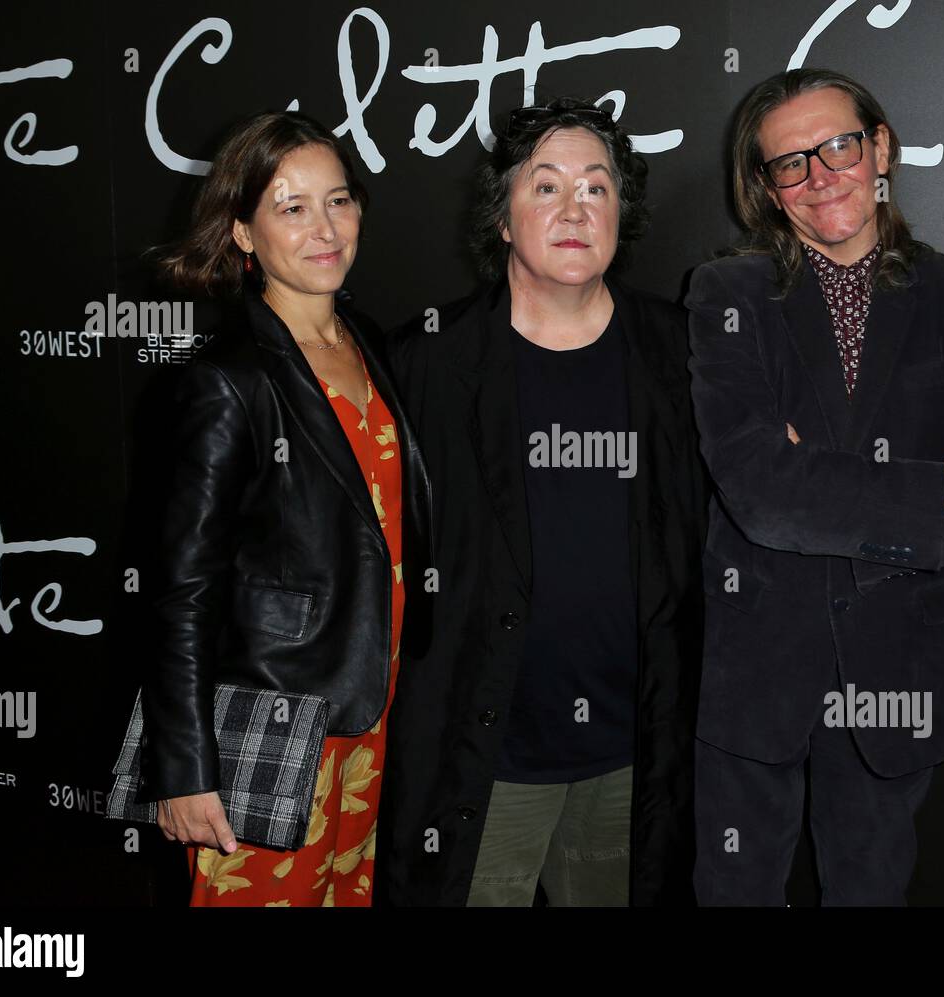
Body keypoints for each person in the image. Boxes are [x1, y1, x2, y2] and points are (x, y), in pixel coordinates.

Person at [686, 68, 944, 905]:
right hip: (758, 677)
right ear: (767, 190)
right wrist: (931, 487)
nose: (820, 176)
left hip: (901, 665)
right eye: (790, 163)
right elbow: (763, 493)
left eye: (838, 145)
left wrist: (824, 479)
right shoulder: (726, 295)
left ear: (881, 147)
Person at [377, 98, 706, 906]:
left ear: (621, 215)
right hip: (486, 759)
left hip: (632, 760)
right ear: (502, 216)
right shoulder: (428, 361)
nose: (573, 210)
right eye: (546, 187)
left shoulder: (684, 350)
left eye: (596, 188)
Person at [141, 110, 430, 906]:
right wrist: (186, 765)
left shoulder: (367, 340)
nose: (325, 228)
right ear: (242, 232)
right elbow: (183, 587)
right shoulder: (227, 380)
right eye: (291, 207)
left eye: (338, 200)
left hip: (367, 707)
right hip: (272, 723)